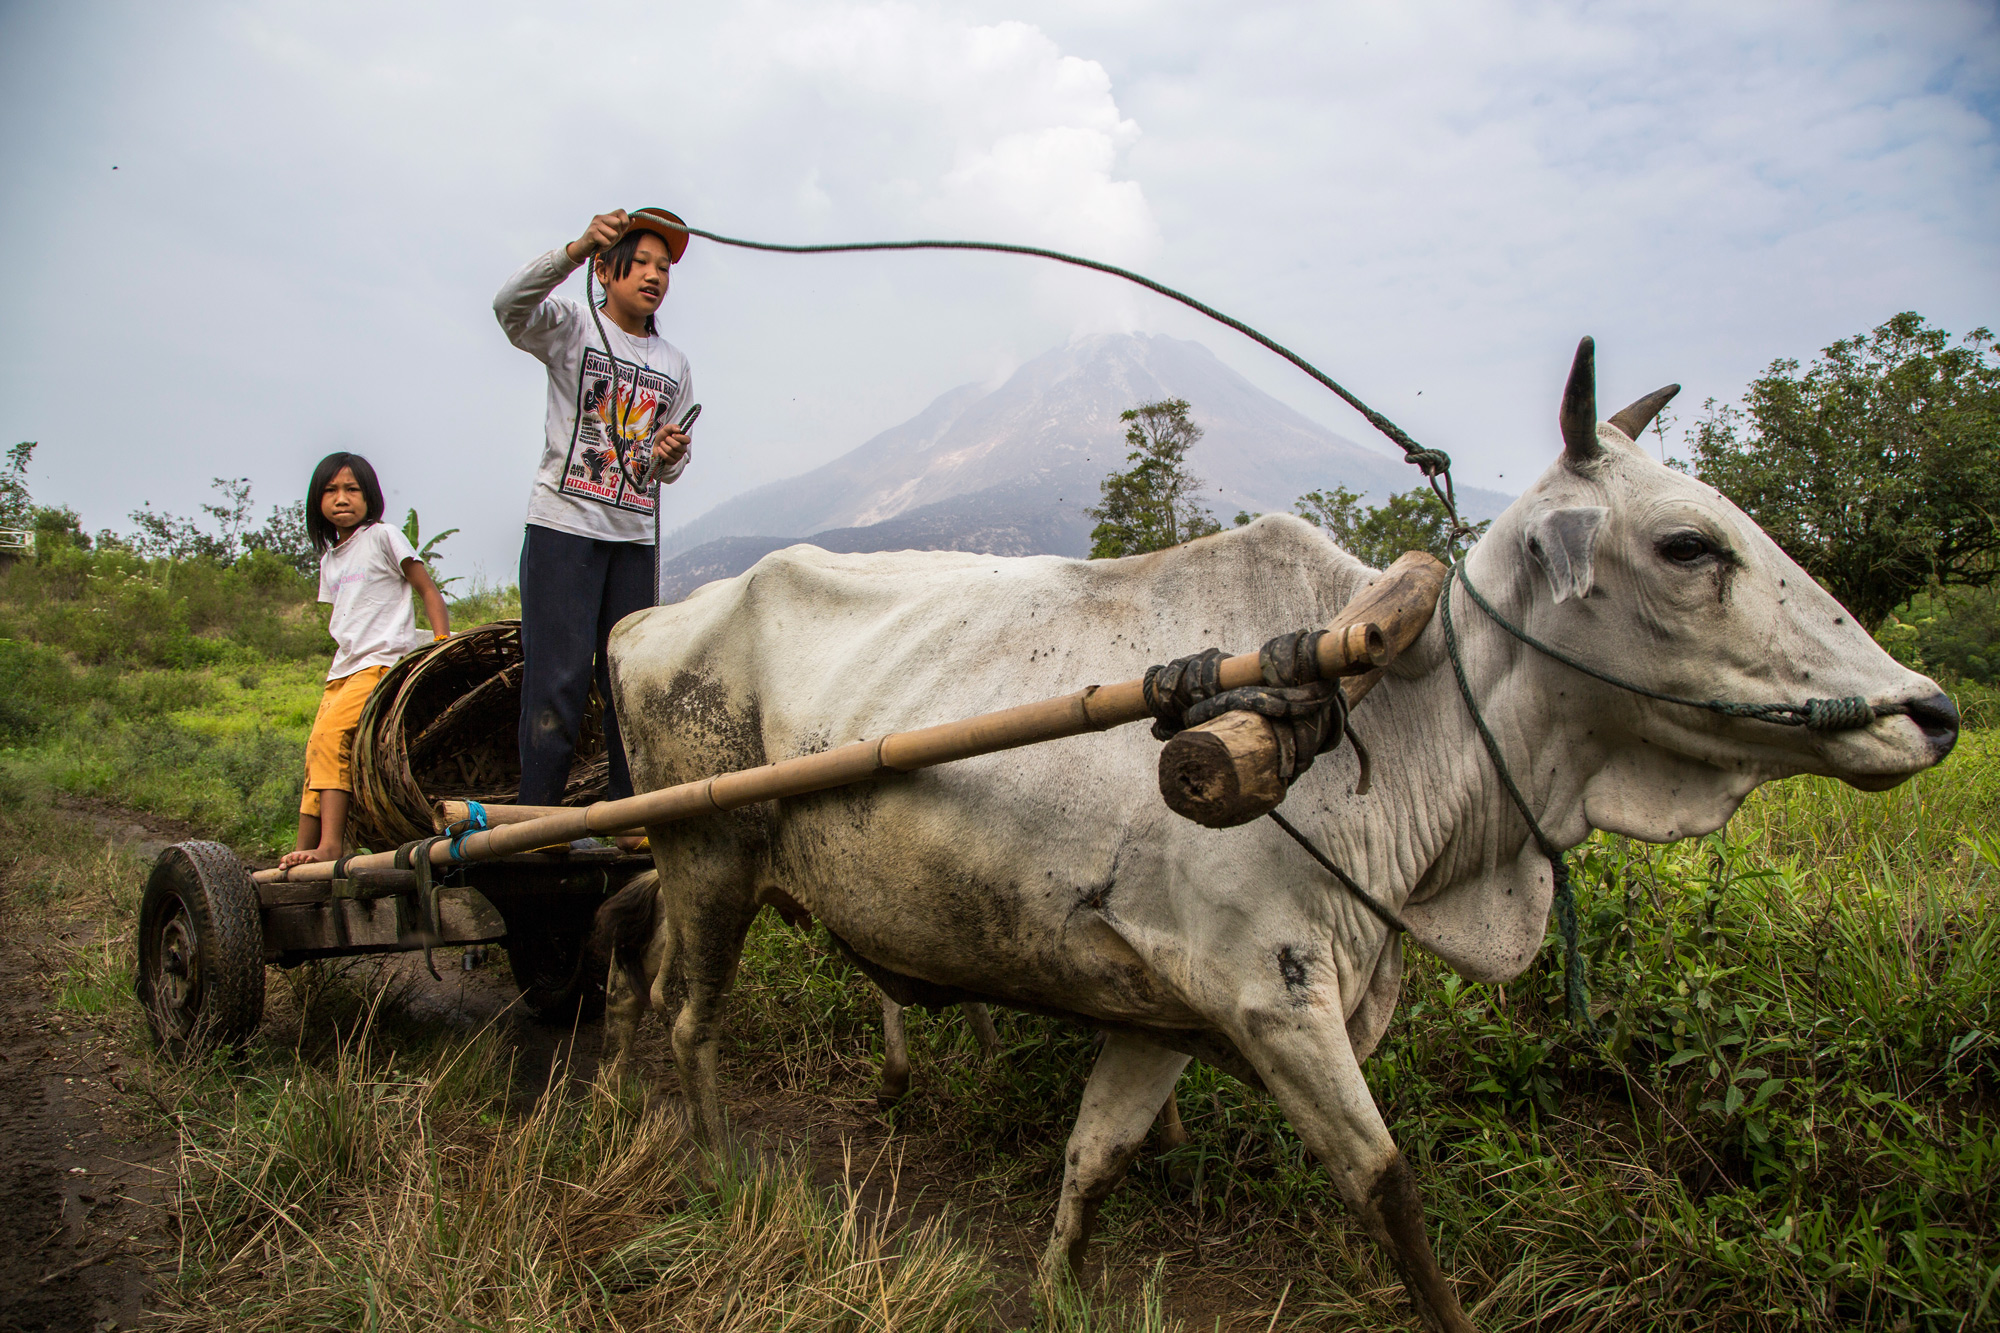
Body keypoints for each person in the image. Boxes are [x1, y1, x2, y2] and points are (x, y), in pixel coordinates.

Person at [493, 207, 695, 826]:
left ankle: (625, 817)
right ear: (604, 270)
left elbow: (670, 465)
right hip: (562, 531)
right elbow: (508, 309)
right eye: (639, 263)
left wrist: (668, 456)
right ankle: (538, 823)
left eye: (663, 267)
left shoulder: (674, 365)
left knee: (627, 683)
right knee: (558, 677)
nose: (653, 276)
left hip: (633, 539)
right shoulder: (571, 327)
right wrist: (574, 247)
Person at [280, 454, 450, 871]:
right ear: (317, 502)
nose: (342, 499)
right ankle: (303, 845)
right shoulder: (331, 559)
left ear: (369, 496)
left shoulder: (384, 536)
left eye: (352, 489)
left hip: (379, 663)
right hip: (342, 670)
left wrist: (442, 645)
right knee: (314, 751)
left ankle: (331, 846)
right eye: (331, 491)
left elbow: (426, 589)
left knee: (330, 740)